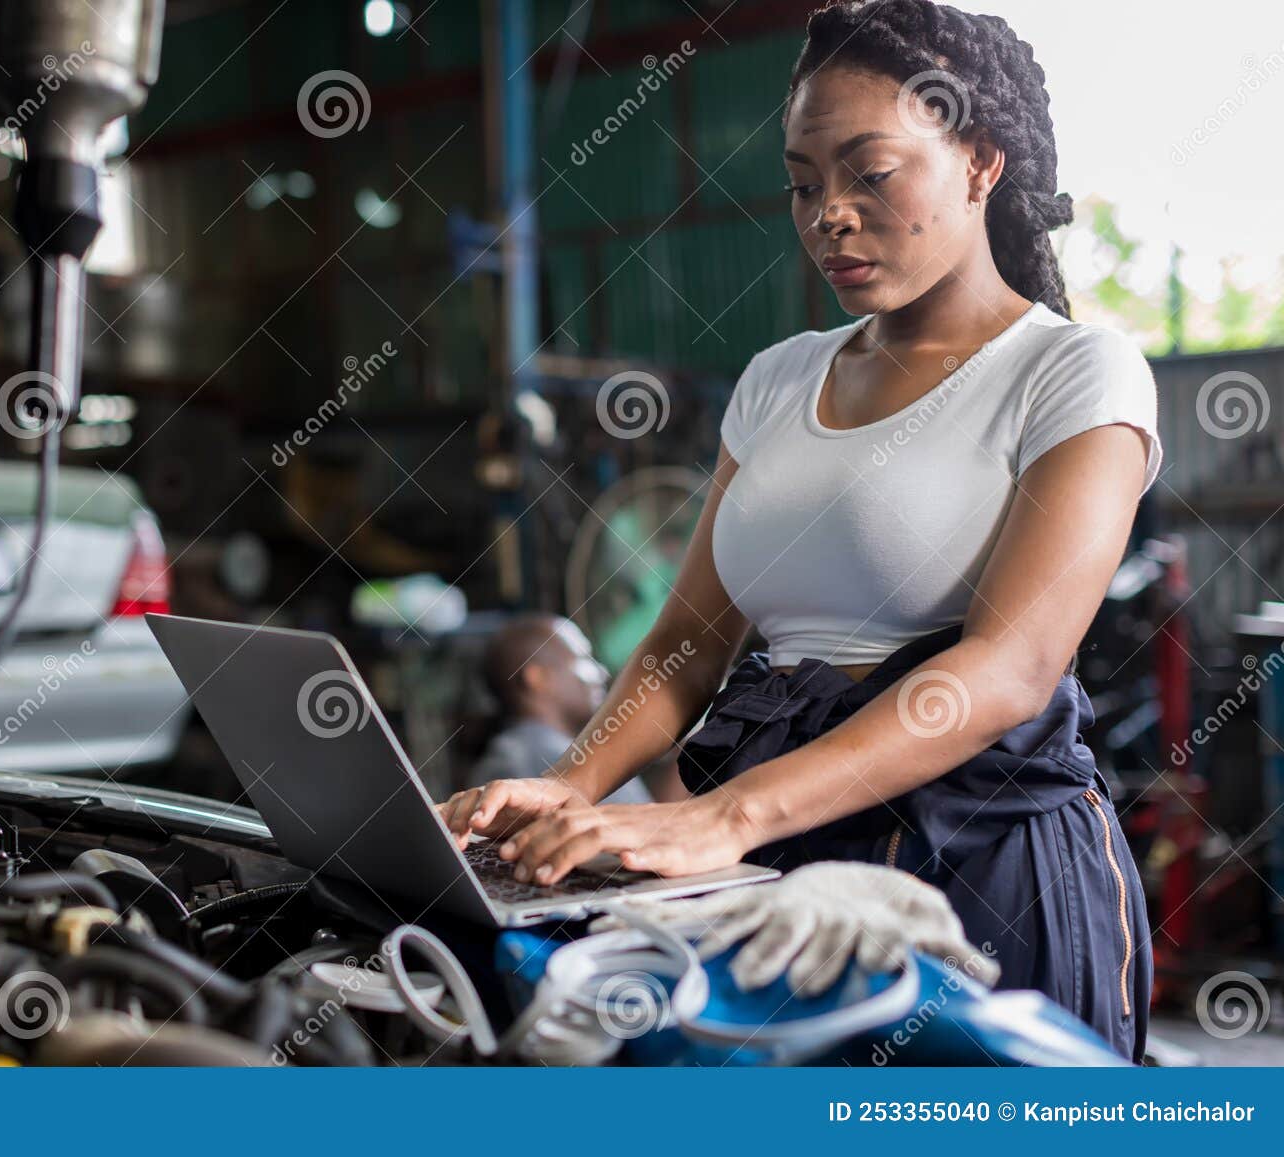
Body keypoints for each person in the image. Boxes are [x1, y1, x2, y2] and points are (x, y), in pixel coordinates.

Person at [438, 0, 1158, 1062]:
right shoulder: (778, 380)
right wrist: (569, 780)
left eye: (870, 172)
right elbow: (688, 640)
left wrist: (717, 816)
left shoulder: (1071, 373)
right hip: (778, 863)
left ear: (980, 161)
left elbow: (1007, 668)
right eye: (803, 182)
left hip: (981, 873)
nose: (829, 213)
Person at [462, 615, 652, 805]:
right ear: (537, 678)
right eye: (584, 659)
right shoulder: (538, 757)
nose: (601, 673)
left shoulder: (543, 751)